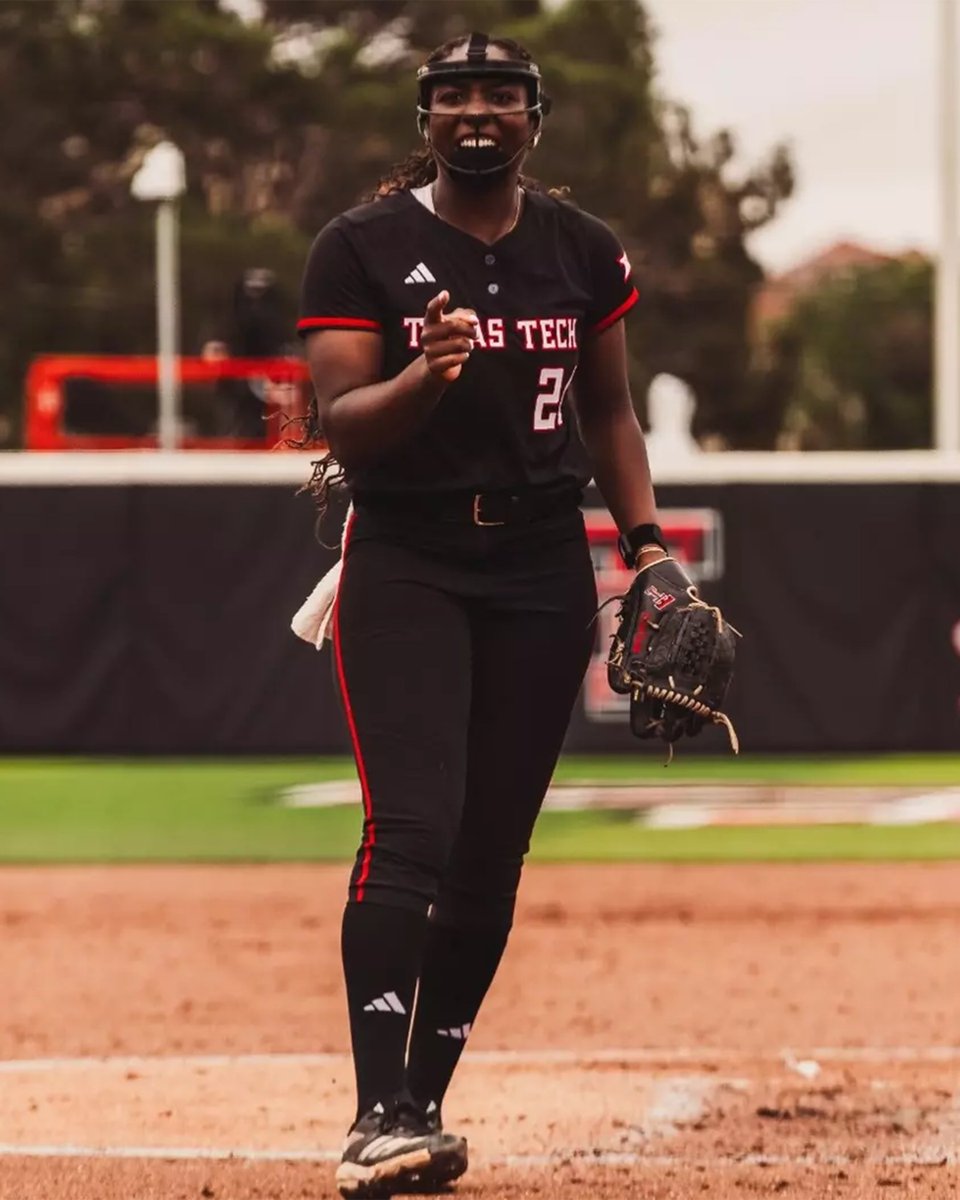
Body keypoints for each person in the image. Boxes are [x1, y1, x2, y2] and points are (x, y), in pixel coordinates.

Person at [296, 32, 669, 1199]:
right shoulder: (360, 246)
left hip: (542, 568)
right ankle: (373, 1116)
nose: (477, 111)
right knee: (412, 829)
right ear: (424, 119)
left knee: (492, 854)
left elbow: (609, 413)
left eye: (502, 95)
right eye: (452, 94)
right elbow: (343, 423)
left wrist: (649, 550)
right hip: (409, 555)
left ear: (534, 118)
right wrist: (425, 376)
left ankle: (421, 1103)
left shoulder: (583, 249)